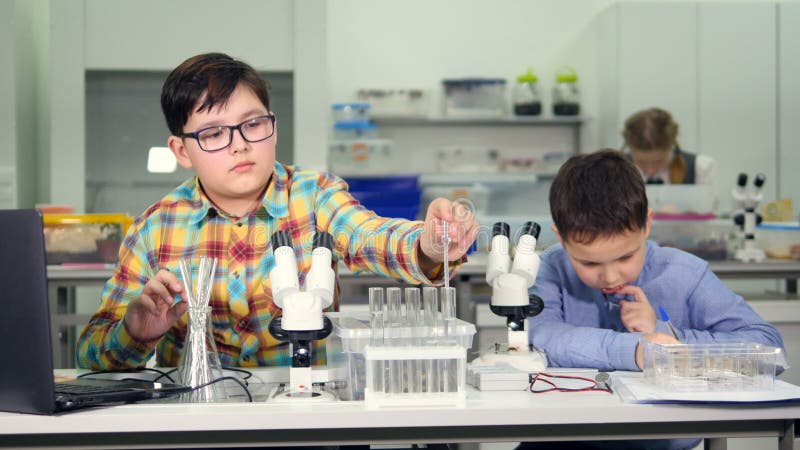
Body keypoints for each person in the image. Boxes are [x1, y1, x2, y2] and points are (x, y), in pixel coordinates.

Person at [77, 52, 479, 370]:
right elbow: (92, 355)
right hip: (197, 424)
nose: (239, 145)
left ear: (273, 125)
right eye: (214, 133)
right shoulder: (156, 227)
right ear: (182, 150)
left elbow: (369, 236)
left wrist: (428, 243)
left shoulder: (314, 195)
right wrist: (134, 331)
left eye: (252, 124)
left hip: (305, 416)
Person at [521, 150, 784, 450]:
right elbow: (538, 336)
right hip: (561, 442)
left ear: (647, 225)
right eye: (590, 264)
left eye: (625, 256)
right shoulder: (551, 266)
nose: (609, 277)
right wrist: (637, 351)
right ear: (561, 237)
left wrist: (670, 338)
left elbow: (770, 350)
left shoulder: (685, 273)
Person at [622, 107, 715, 185]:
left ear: (670, 145)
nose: (651, 171)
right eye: (641, 161)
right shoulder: (614, 171)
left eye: (658, 161)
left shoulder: (699, 168)